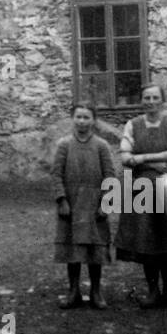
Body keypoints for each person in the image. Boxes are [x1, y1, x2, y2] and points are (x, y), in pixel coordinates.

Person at [115, 84, 167, 308]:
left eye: (155, 98)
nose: (150, 101)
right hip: (141, 186)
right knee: (145, 239)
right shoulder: (133, 124)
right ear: (142, 101)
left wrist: (141, 158)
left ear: (162, 101)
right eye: (146, 97)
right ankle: (152, 291)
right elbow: (124, 156)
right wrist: (153, 160)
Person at [52, 101, 117, 310]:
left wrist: (106, 203)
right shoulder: (64, 144)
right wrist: (61, 200)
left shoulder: (101, 146)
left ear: (94, 120)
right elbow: (56, 174)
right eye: (78, 117)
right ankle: (73, 291)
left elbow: (110, 175)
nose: (82, 121)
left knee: (95, 249)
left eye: (86, 117)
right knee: (73, 249)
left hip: (94, 204)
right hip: (71, 204)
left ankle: (96, 291)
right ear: (73, 119)